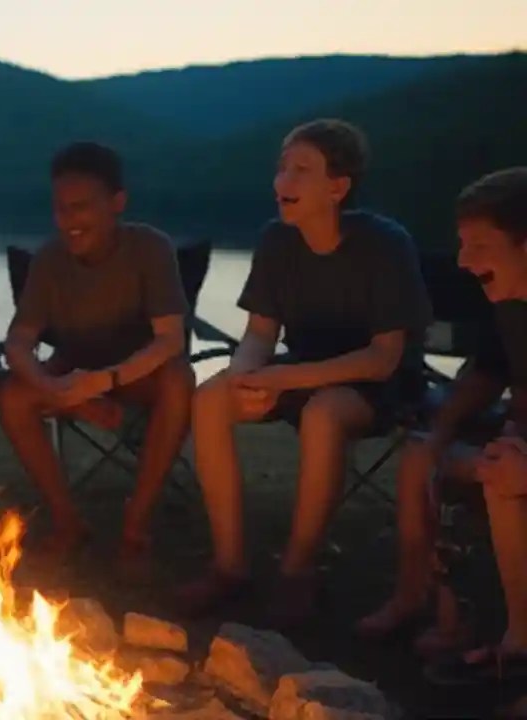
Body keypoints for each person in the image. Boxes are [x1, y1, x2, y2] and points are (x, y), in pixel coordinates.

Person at [180, 119, 431, 626]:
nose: (282, 182)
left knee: (322, 413)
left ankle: (297, 570)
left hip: (375, 383)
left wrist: (283, 380)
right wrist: (247, 376)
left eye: (301, 171)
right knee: (211, 398)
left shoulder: (384, 244)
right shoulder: (277, 240)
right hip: (300, 369)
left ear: (338, 187)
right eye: (281, 169)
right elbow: (258, 334)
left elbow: (383, 357)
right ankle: (230, 566)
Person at [0, 141, 195, 575]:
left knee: (179, 379)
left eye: (81, 207)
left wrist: (102, 383)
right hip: (74, 371)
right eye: (61, 208)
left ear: (117, 203)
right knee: (11, 395)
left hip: (136, 370)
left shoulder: (149, 248)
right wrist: (60, 392)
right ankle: (68, 523)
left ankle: (135, 528)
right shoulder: (49, 259)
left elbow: (170, 341)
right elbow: (17, 343)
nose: (69, 220)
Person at [359, 168, 527, 683]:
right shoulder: (511, 305)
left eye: (480, 245)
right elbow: (490, 371)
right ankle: (432, 608)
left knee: (502, 473)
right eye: (461, 244)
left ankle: (519, 646)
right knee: (425, 456)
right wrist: (443, 429)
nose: (463, 261)